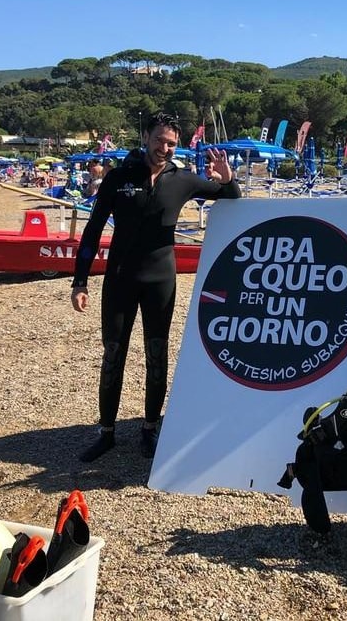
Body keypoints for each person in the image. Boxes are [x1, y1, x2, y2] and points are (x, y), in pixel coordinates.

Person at [71, 112, 241, 462]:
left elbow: (231, 196)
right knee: (112, 355)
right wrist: (80, 280)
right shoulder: (119, 178)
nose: (164, 148)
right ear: (146, 135)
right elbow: (92, 231)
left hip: (160, 280)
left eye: (171, 143)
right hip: (120, 278)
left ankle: (149, 429)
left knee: (157, 356)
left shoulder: (182, 180)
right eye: (159, 140)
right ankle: (106, 433)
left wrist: (229, 179)